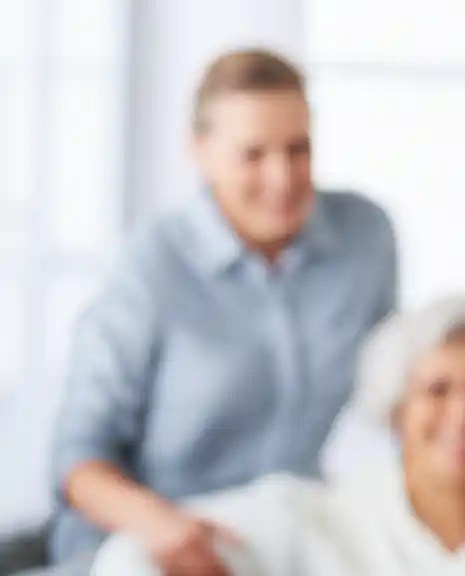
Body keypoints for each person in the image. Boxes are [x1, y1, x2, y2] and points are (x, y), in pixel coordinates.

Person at [47, 49, 398, 574]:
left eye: (298, 150)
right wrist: (160, 525)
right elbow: (76, 460)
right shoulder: (150, 265)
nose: (282, 178)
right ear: (201, 151)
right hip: (146, 542)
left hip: (280, 536)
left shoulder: (364, 239)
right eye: (253, 155)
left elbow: (397, 391)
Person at [88, 296, 465, 576]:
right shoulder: (311, 518)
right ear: (398, 406)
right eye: (437, 390)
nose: (463, 414)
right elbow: (130, 559)